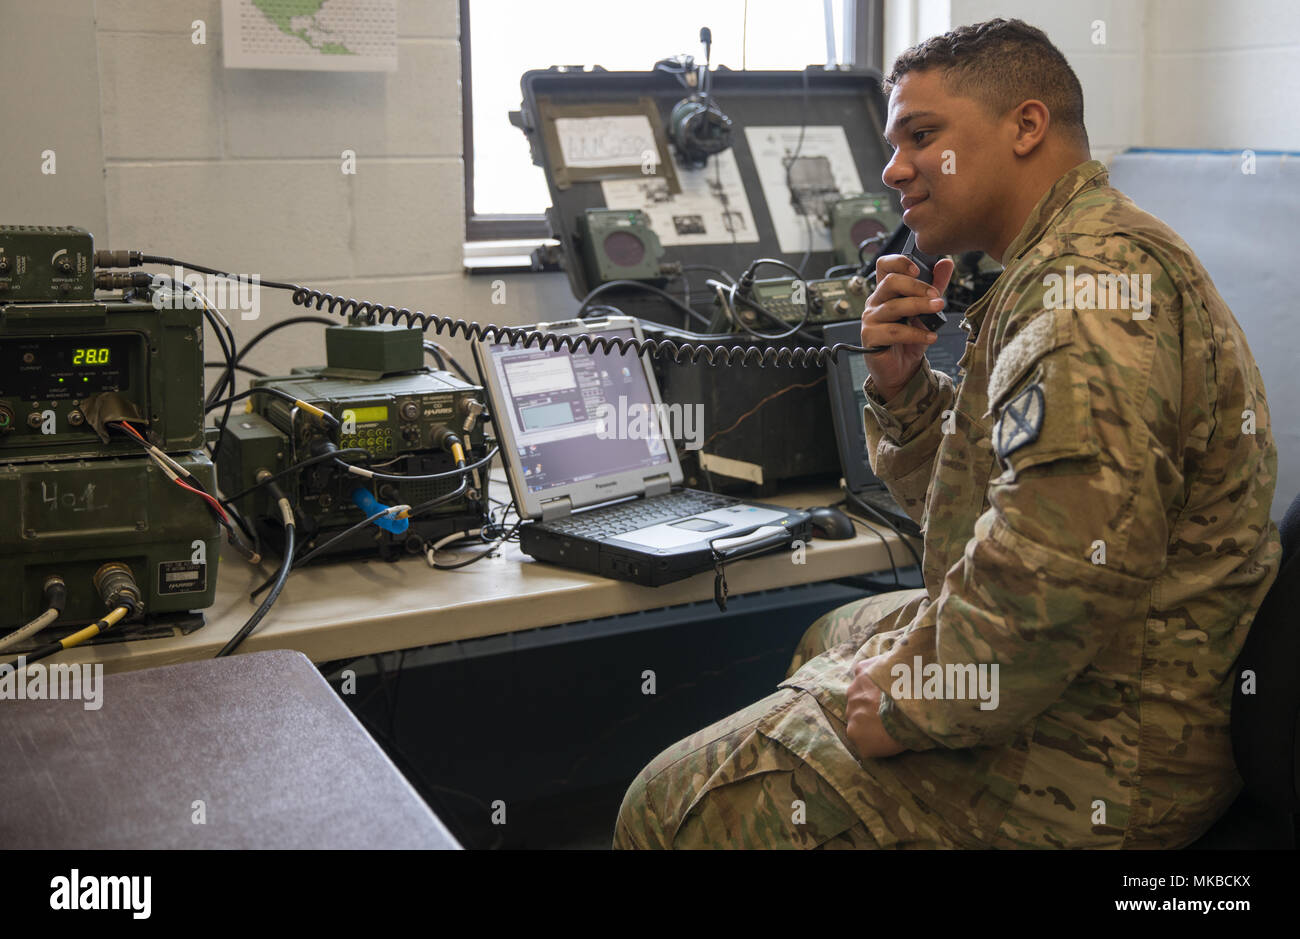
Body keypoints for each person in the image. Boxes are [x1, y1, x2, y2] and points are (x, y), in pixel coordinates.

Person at [613, 17, 1281, 849]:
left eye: (922, 137)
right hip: (1118, 673)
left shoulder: (1083, 295)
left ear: (1026, 127)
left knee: (664, 804)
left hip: (1117, 752)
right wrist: (902, 390)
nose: (894, 169)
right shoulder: (1057, 261)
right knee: (832, 633)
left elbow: (1056, 581)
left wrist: (902, 701)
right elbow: (986, 518)